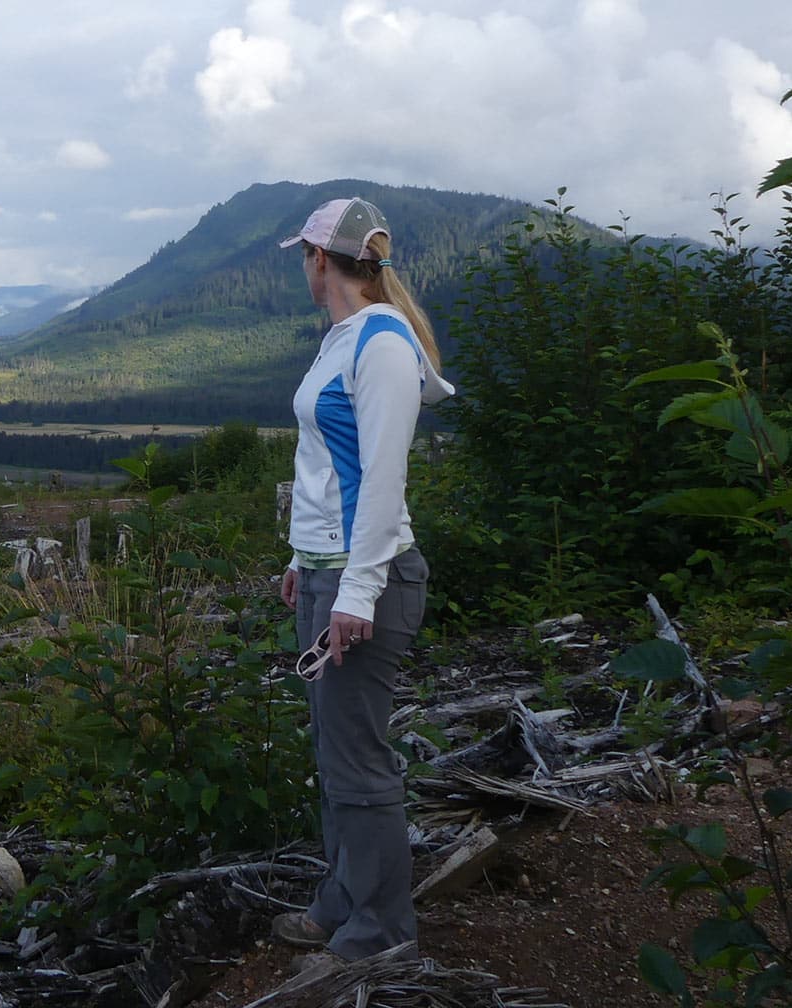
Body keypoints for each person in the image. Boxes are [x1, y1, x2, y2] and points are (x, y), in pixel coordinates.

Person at [269, 196, 455, 967]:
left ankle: (381, 931)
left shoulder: (380, 343)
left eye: (303, 257)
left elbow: (381, 482)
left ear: (322, 258)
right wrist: (300, 556)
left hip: (365, 581)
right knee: (335, 750)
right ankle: (344, 900)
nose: (303, 269)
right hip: (328, 572)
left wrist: (352, 594)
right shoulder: (343, 337)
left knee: (358, 759)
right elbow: (323, 471)